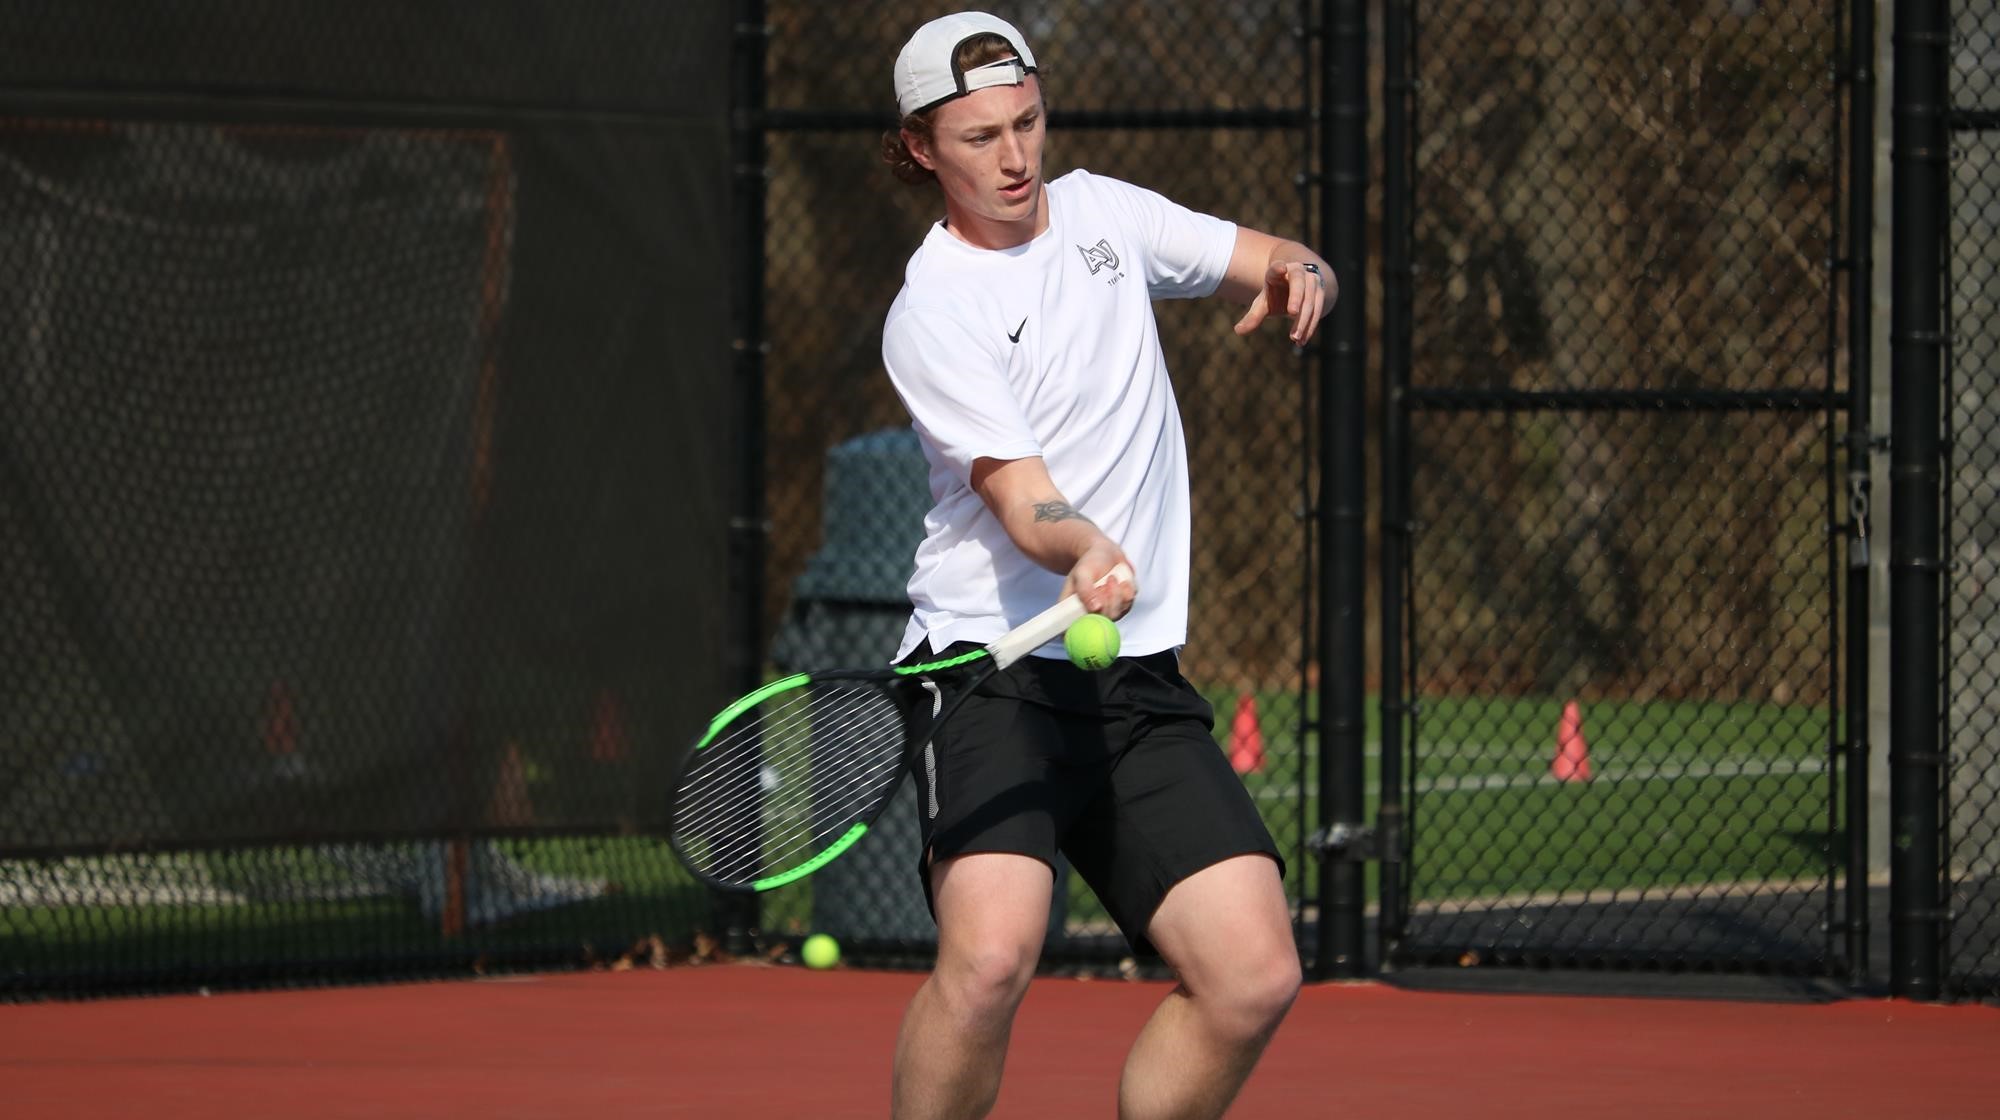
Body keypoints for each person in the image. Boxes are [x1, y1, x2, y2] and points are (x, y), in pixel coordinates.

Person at [876, 12, 1336, 1119]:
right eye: (980, 135)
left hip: (1130, 678)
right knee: (988, 961)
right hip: (987, 676)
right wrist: (1080, 542)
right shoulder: (932, 308)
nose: (1014, 156)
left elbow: (1262, 253)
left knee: (1253, 975)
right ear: (919, 149)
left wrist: (1297, 267)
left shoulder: (1105, 216)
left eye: (1027, 122)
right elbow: (1023, 497)